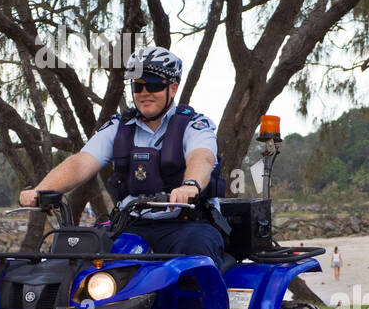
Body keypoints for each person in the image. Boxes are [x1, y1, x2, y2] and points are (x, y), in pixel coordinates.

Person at [19, 46, 227, 269]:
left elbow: (202, 157)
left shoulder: (195, 124)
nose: (144, 92)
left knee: (196, 258)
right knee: (73, 254)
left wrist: (190, 185)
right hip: (130, 225)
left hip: (187, 225)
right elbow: (82, 162)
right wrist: (43, 190)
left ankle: (198, 305)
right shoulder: (118, 127)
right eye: (138, 86)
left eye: (154, 85)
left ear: (173, 88)